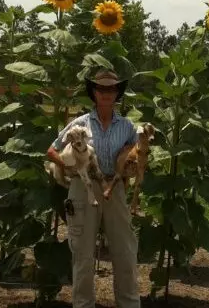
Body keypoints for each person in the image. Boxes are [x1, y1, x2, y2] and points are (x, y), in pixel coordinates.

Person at [47, 68, 141, 308]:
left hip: (115, 186)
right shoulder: (79, 124)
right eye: (101, 89)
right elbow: (52, 150)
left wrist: (130, 165)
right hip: (83, 189)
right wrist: (67, 167)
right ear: (94, 92)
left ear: (117, 92)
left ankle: (129, 304)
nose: (106, 93)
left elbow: (134, 156)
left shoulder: (128, 127)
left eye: (111, 89)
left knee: (125, 253)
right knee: (83, 256)